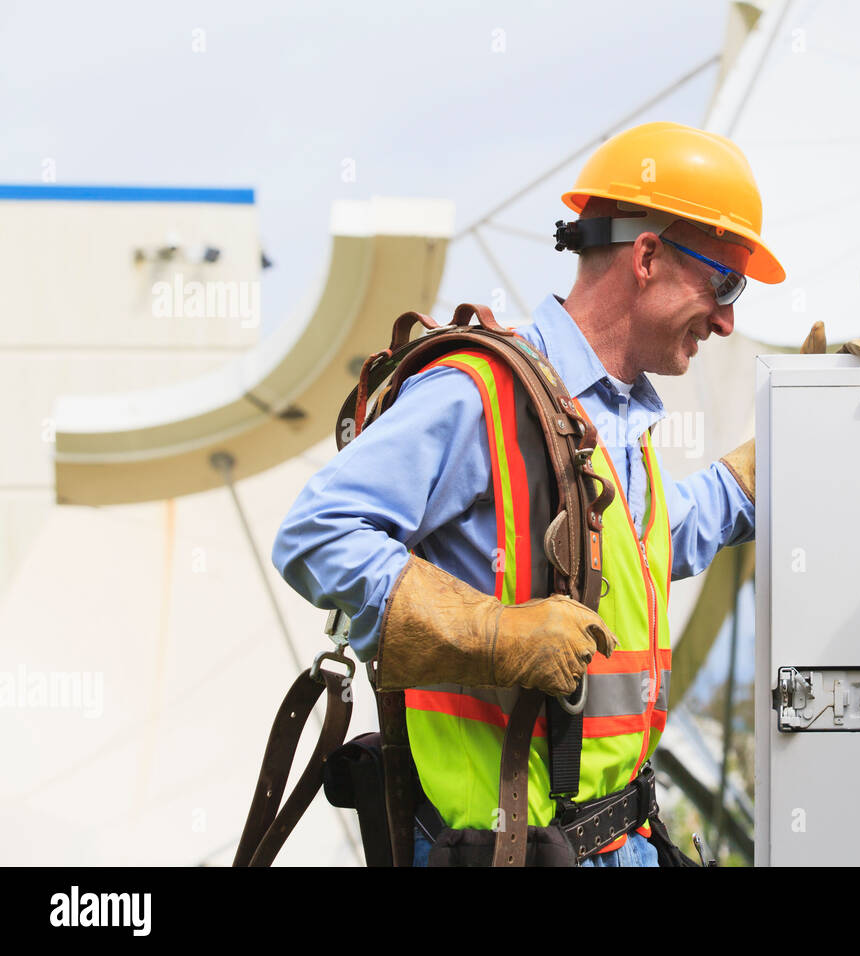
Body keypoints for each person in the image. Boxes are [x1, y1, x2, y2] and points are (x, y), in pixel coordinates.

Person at [272, 121, 783, 867]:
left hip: (618, 841)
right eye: (724, 283)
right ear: (647, 257)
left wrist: (814, 430)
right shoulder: (479, 394)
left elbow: (654, 542)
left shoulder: (610, 418)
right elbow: (317, 535)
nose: (730, 318)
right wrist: (495, 635)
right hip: (506, 850)